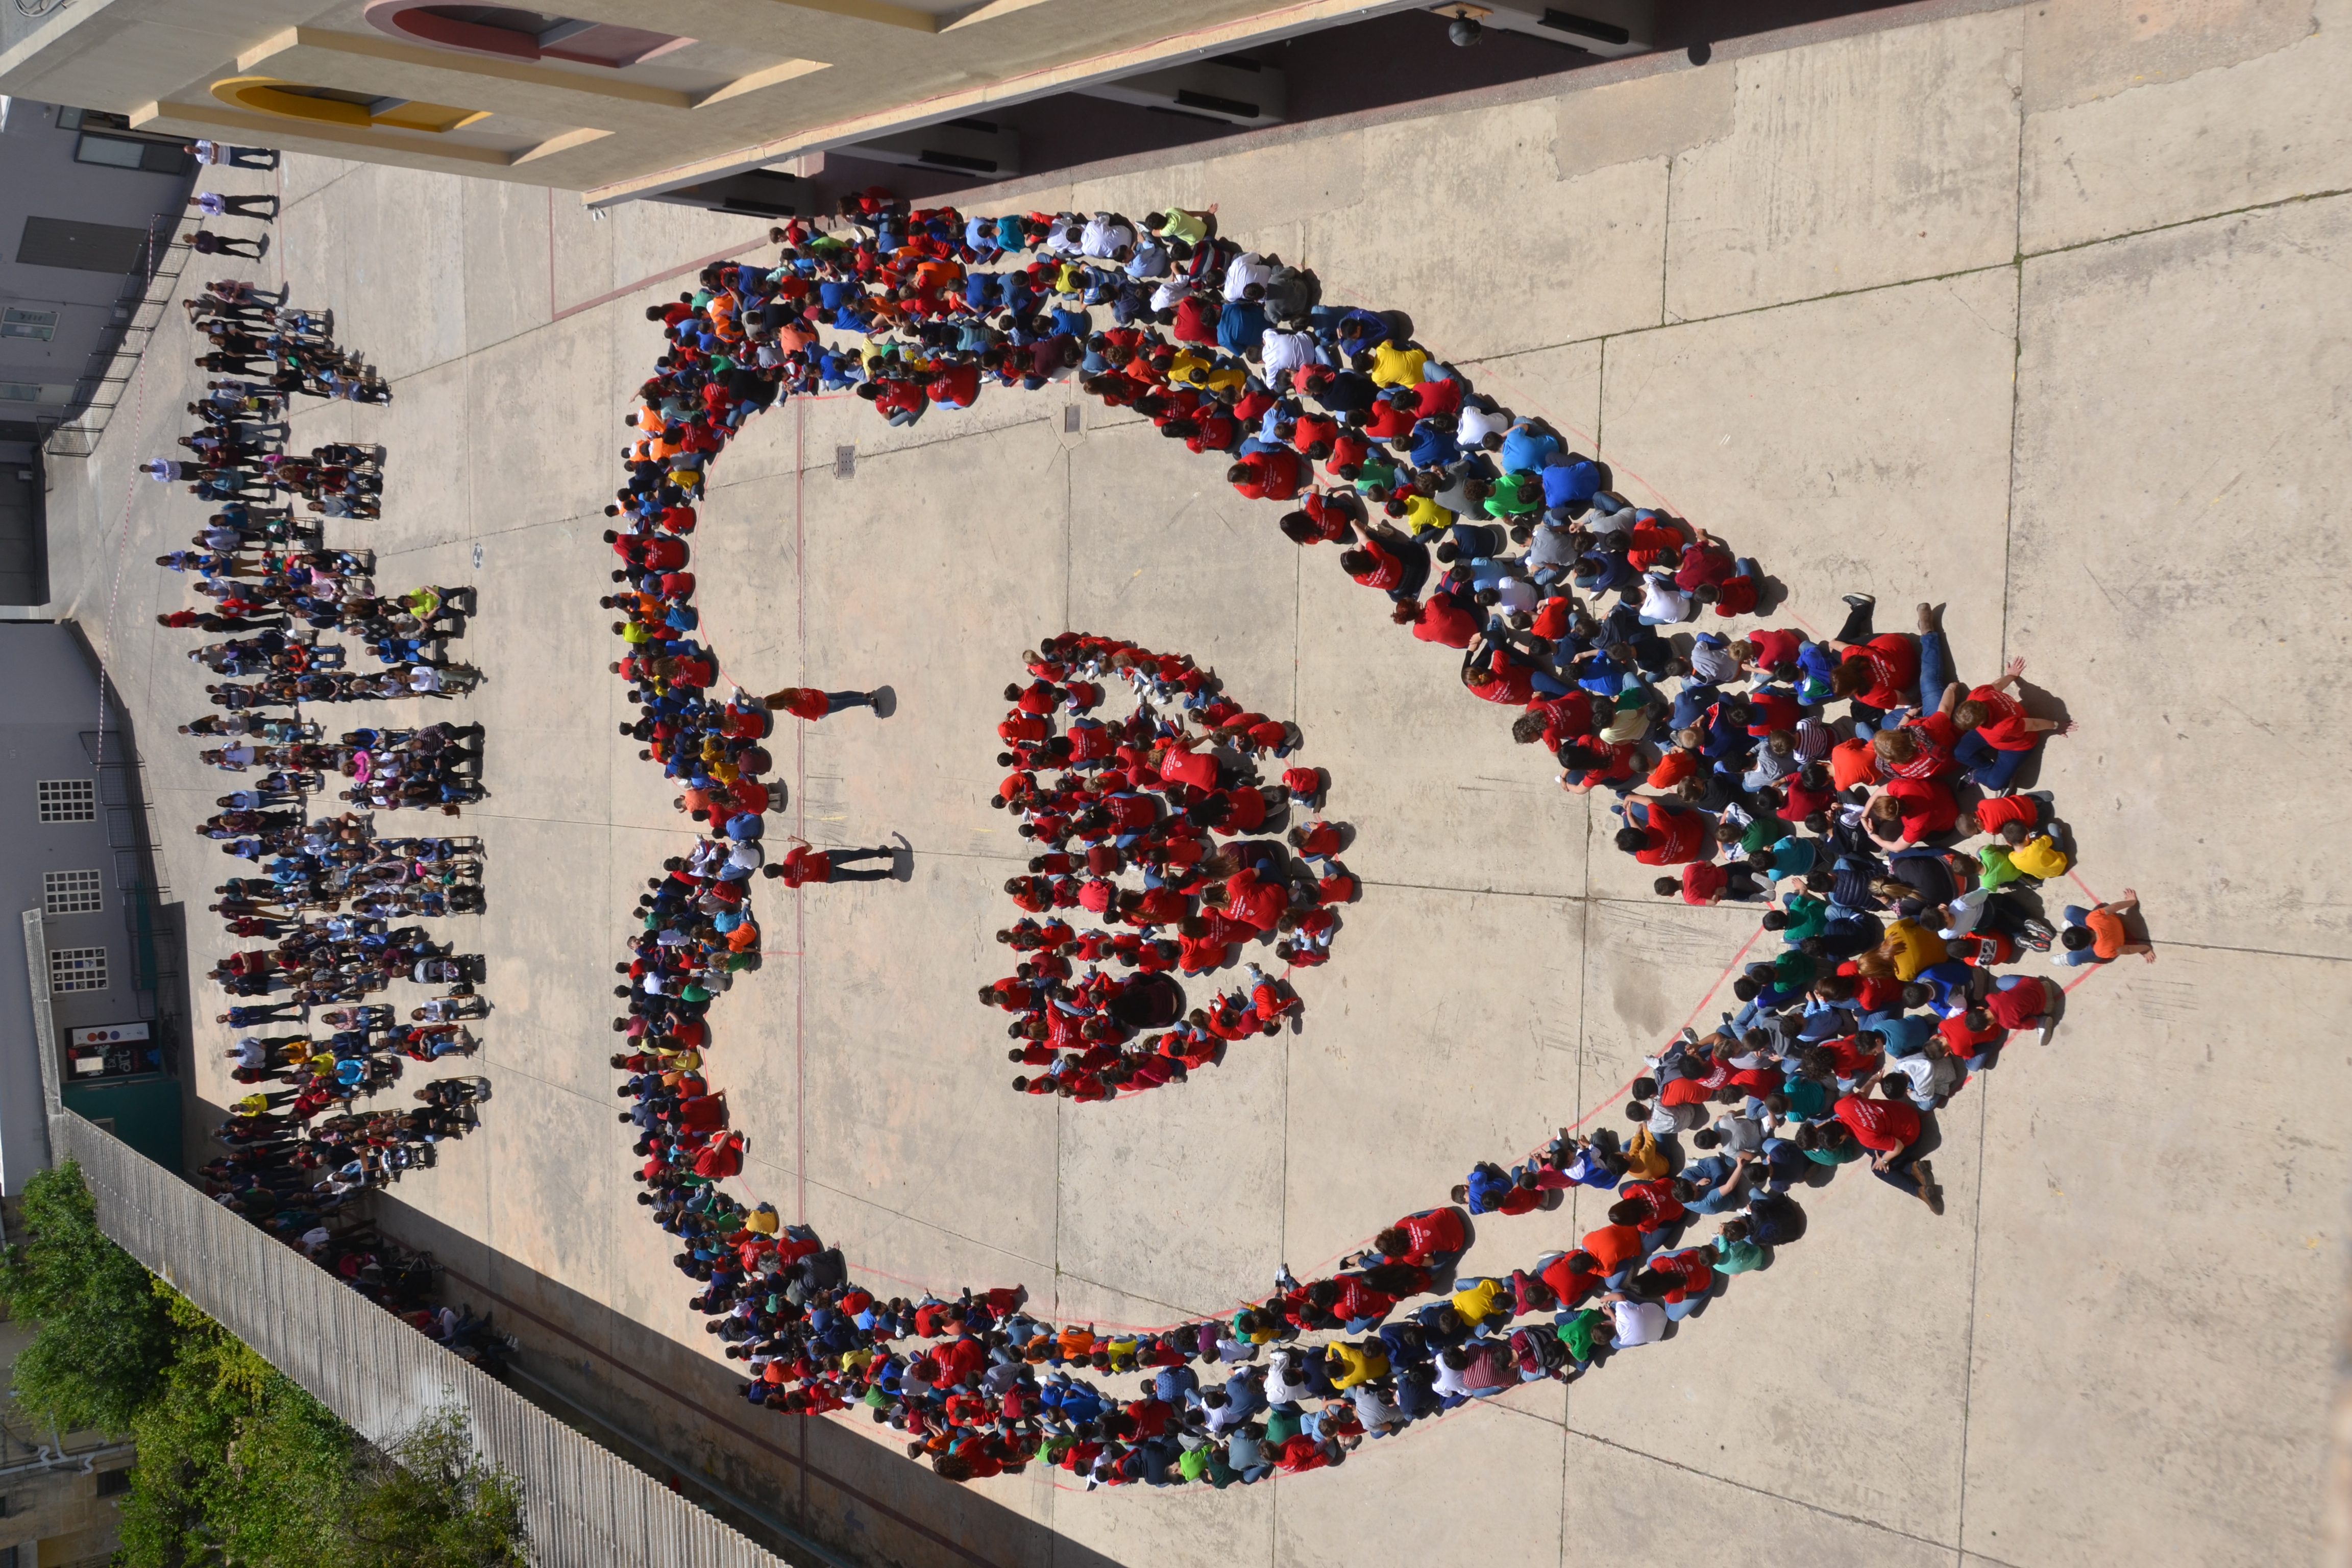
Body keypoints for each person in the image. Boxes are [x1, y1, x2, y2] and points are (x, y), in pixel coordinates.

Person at [2056, 889, 2153, 966]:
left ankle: (2069, 959)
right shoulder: (2092, 918)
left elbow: (2127, 949)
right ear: (2082, 927)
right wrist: (2132, 902)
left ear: (2085, 947)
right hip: (2115, 923)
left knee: (2074, 960)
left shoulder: (2101, 952)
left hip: (2115, 941)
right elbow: (2115, 907)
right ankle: (2073, 932)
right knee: (2069, 911)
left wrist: (2145, 949)